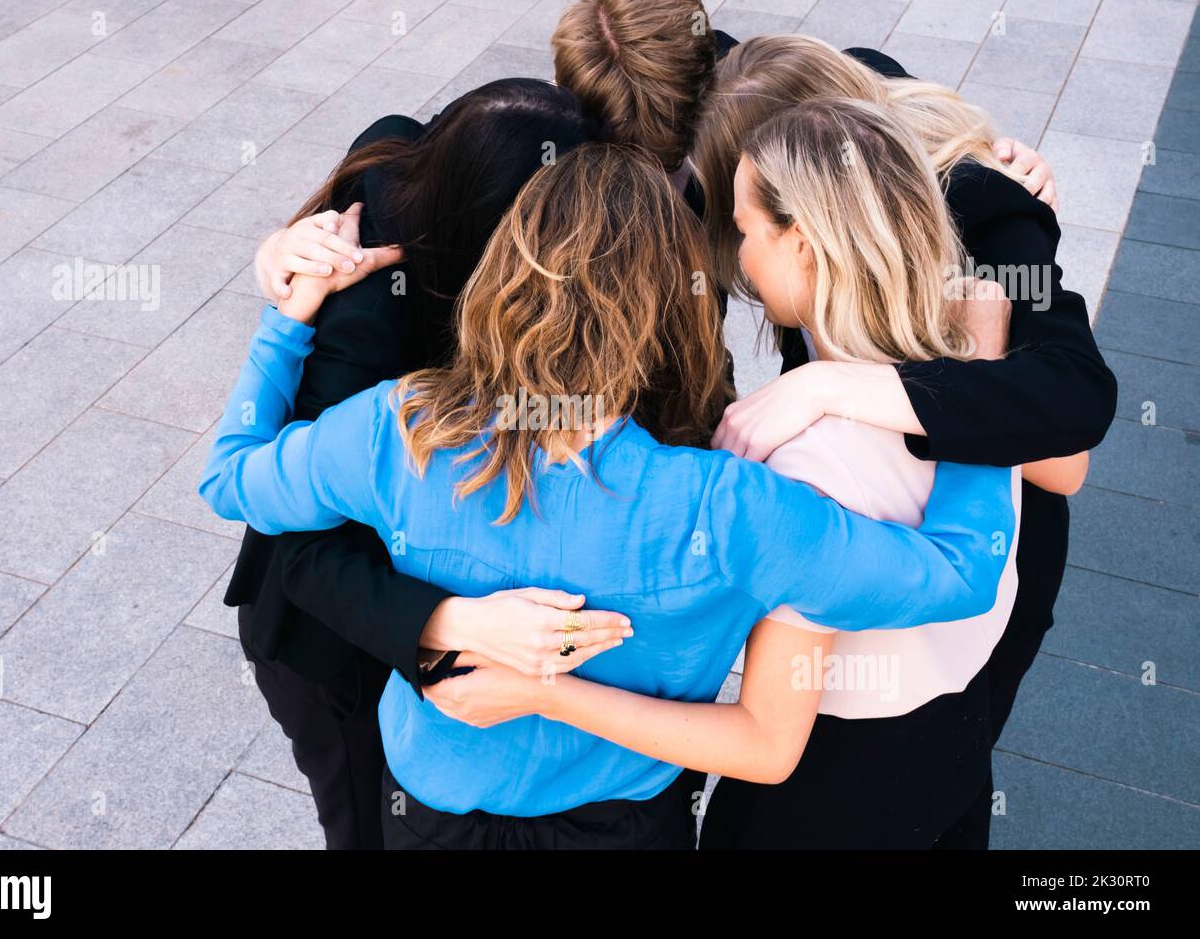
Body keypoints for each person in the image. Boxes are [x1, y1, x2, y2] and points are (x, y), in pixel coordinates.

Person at [200, 142, 1015, 850]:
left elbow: (231, 477)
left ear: (506, 273)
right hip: (621, 828)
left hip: (429, 811)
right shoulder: (731, 504)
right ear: (670, 312)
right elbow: (962, 573)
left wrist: (290, 315)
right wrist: (974, 399)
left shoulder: (397, 430)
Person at [425, 99, 1088, 849]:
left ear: (801, 242)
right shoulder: (982, 379)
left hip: (826, 801)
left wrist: (538, 690)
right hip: (957, 753)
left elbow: (764, 745)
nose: (736, 257)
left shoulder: (805, 468)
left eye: (744, 231)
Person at [689, 35, 1116, 846]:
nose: (736, 258)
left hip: (972, 528)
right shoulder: (805, 100)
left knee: (916, 737)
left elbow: (1068, 442)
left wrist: (836, 387)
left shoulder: (986, 211)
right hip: (930, 555)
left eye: (747, 225)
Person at [221, 79, 622, 849]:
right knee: (365, 825)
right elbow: (300, 542)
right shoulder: (372, 323)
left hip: (404, 593)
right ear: (496, 222)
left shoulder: (410, 145)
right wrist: (452, 624)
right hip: (331, 643)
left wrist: (272, 247)